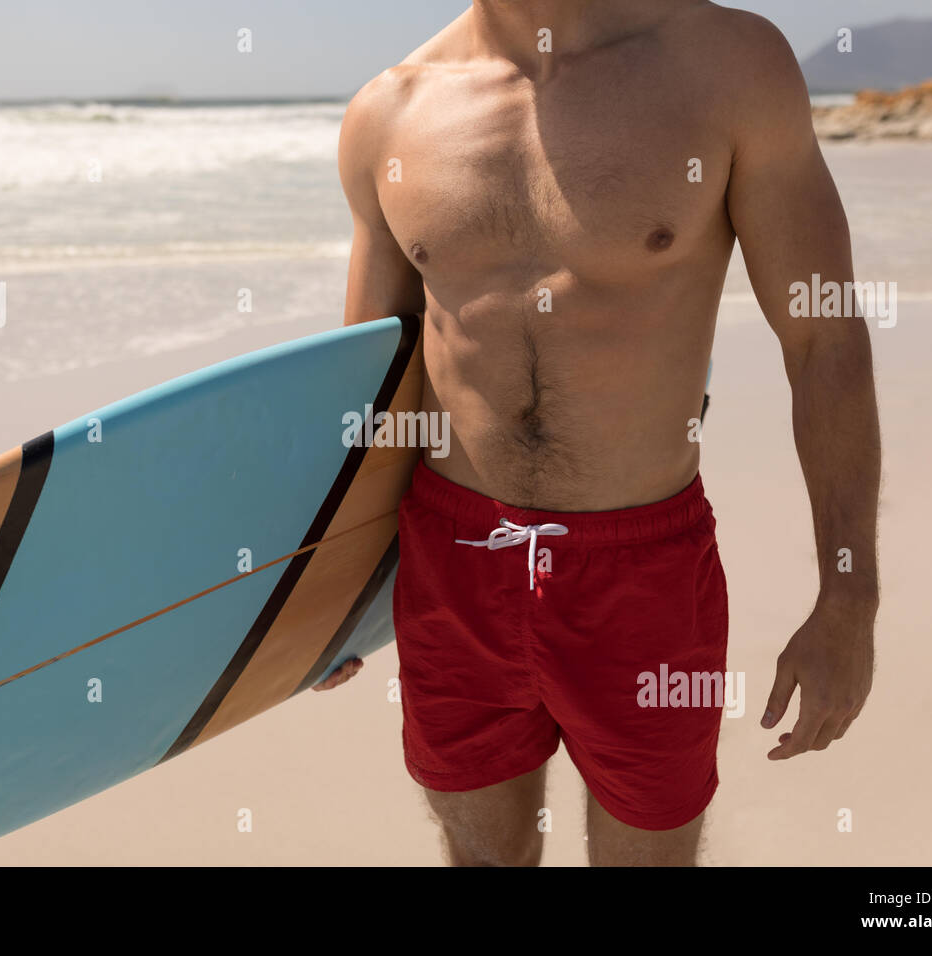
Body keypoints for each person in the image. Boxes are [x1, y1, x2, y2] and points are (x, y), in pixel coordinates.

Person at [315, 0, 880, 867]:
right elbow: (376, 388)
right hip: (451, 563)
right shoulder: (387, 112)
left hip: (643, 575)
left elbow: (824, 336)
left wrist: (848, 598)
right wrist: (328, 605)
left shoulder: (729, 67)